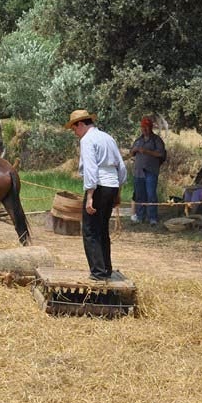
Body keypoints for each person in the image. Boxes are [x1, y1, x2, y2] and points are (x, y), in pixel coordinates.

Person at [65, 109, 127, 281]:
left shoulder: (87, 139)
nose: (74, 132)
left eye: (74, 128)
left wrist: (90, 195)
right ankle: (106, 268)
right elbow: (121, 167)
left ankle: (98, 272)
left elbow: (91, 168)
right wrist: (118, 192)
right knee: (102, 229)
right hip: (112, 185)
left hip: (98, 186)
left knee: (90, 230)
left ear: (81, 124)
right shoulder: (108, 137)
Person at [129, 116, 166, 225]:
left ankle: (153, 218)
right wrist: (134, 150)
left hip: (151, 171)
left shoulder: (157, 140)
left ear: (151, 128)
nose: (144, 129)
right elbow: (131, 153)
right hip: (138, 171)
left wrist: (146, 151)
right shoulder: (138, 140)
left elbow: (161, 154)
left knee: (151, 195)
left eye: (147, 127)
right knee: (140, 195)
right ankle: (140, 216)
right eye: (143, 127)